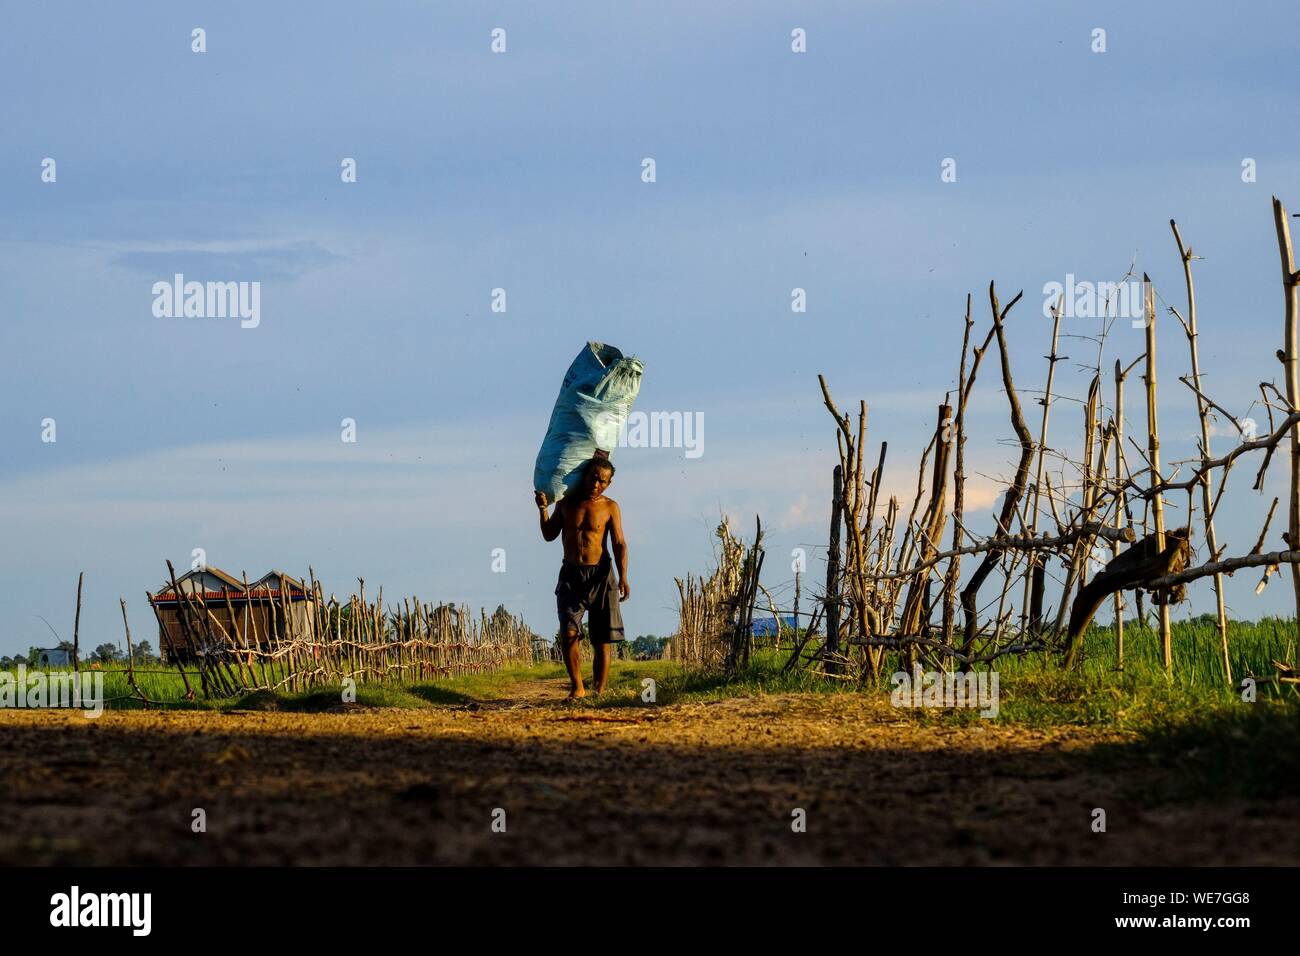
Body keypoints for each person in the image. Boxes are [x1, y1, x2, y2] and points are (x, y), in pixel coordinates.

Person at [534, 457, 629, 699]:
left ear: (610, 483)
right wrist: (543, 509)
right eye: (594, 478)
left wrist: (624, 577)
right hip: (571, 576)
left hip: (602, 575)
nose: (597, 485)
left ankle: (598, 692)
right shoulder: (566, 503)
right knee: (568, 633)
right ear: (584, 475)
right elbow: (549, 535)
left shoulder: (610, 507)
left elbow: (618, 543)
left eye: (603, 482)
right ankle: (577, 688)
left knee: (602, 640)